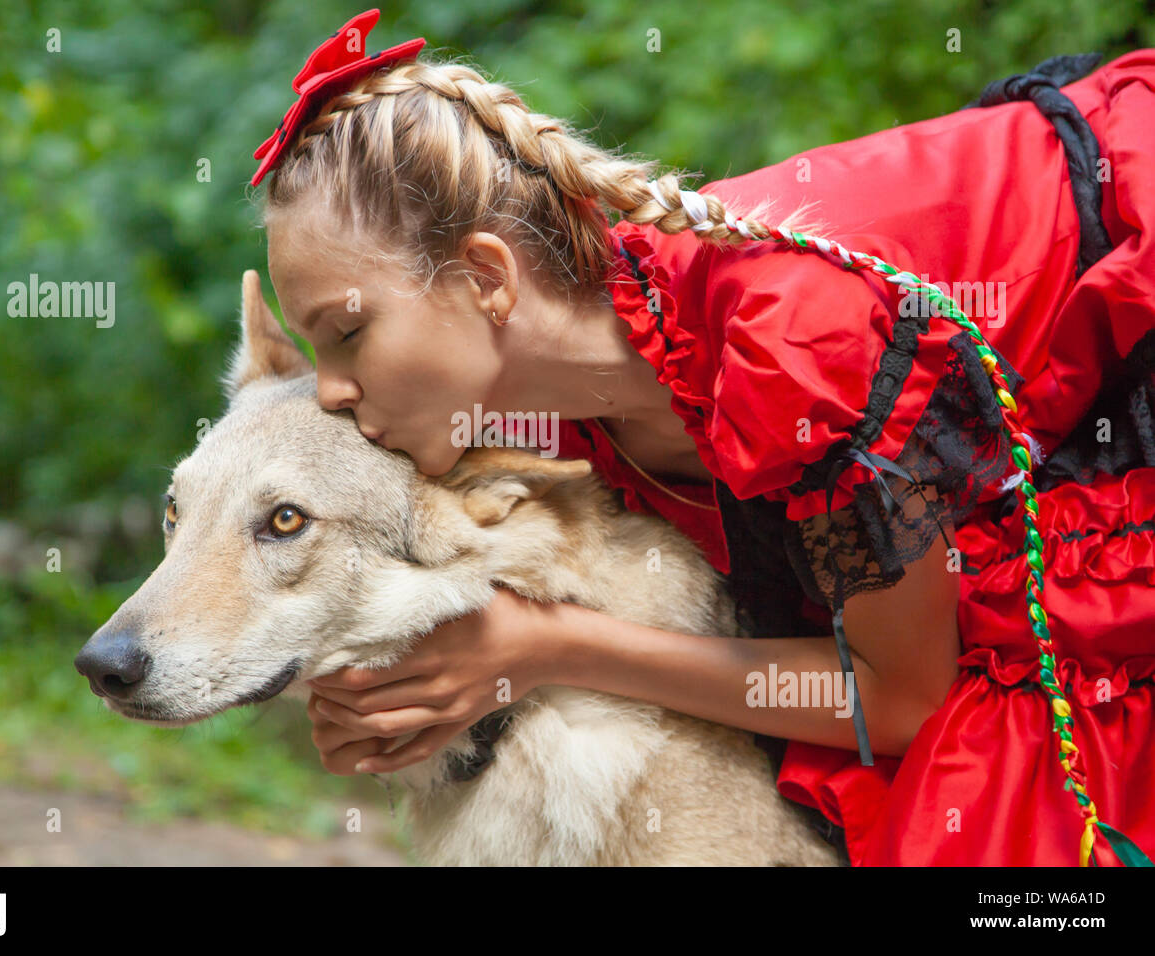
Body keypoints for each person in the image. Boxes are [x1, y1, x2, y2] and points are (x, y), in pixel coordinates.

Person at [249, 10, 1155, 865]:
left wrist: (543, 648)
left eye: (348, 332)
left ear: (488, 278)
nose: (328, 387)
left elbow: (900, 699)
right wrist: (410, 701)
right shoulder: (550, 414)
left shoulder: (794, 349)